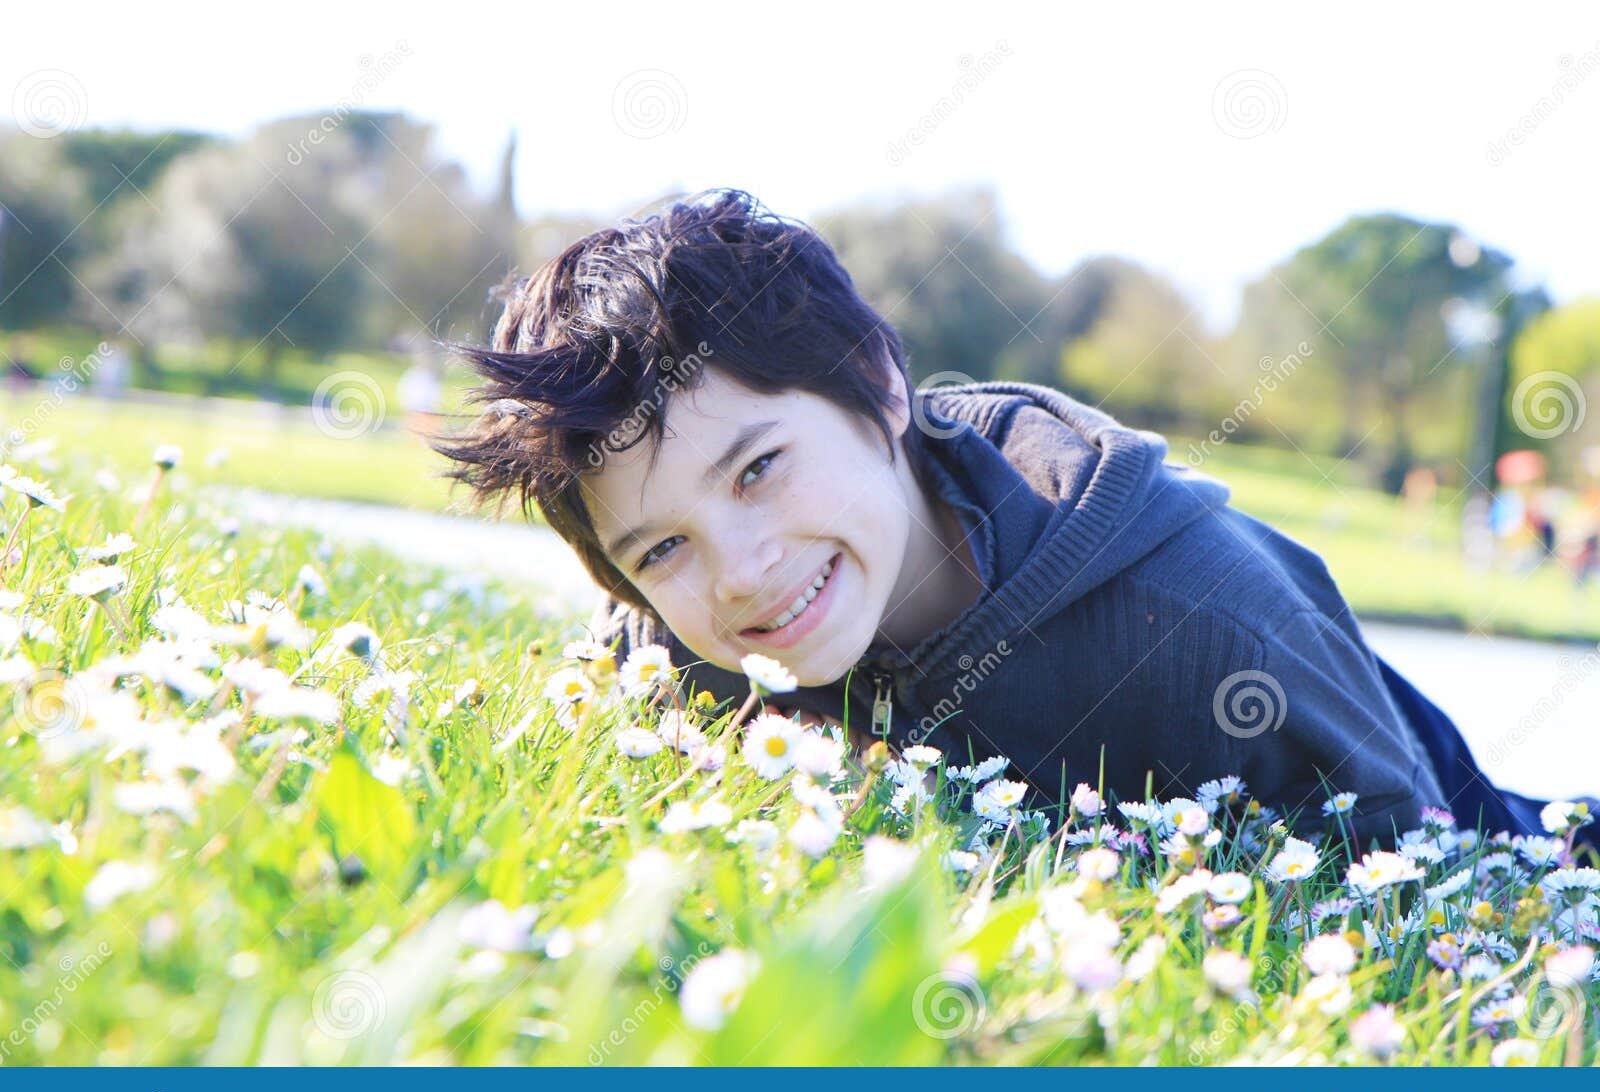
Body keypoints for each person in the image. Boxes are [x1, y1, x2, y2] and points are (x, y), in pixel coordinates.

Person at [432, 188, 1597, 855]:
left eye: (759, 470)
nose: (739, 575)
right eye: (662, 548)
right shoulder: (679, 640)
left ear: (879, 386)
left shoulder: (1203, 623)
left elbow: (1436, 885)